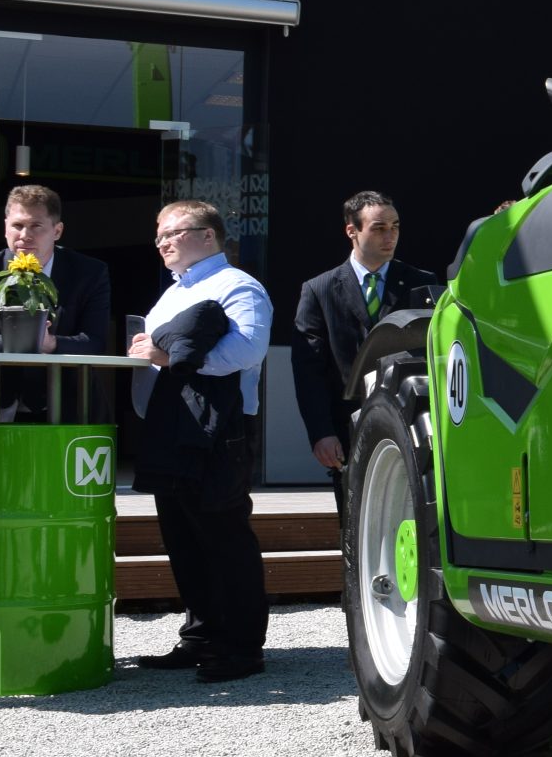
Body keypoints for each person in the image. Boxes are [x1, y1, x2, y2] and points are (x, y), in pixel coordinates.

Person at [127, 201, 271, 683]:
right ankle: (202, 636)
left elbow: (248, 350)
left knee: (223, 536)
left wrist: (167, 359)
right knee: (183, 539)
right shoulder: (173, 294)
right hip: (173, 429)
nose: (163, 243)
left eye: (173, 233)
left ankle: (241, 648)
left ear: (208, 236)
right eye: (158, 237)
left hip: (219, 432)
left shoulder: (238, 286)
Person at [294, 190, 439, 493]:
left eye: (395, 226)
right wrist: (321, 433)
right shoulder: (320, 289)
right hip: (346, 426)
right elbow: (309, 371)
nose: (391, 236)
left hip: (408, 420)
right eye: (379, 228)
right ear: (352, 231)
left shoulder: (421, 282)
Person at [0, 184, 115, 422]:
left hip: (70, 405)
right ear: (5, 226)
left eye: (36, 226)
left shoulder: (89, 273)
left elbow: (96, 342)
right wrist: (22, 342)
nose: (25, 235)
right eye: (17, 225)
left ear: (57, 231)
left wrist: (51, 343)